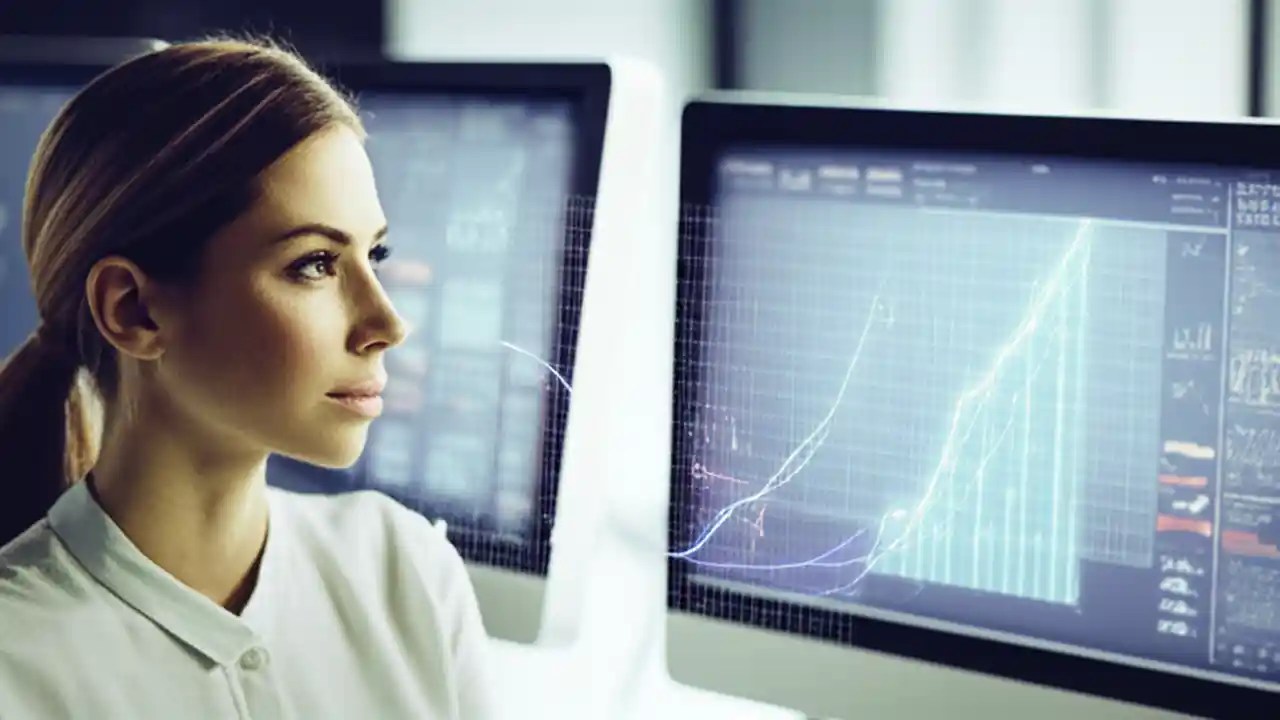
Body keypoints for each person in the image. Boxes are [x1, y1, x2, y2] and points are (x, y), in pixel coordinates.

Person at [0, 37, 497, 719]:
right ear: (134, 309)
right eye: (315, 264)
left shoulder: (406, 570)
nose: (387, 321)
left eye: (373, 253)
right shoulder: (16, 661)